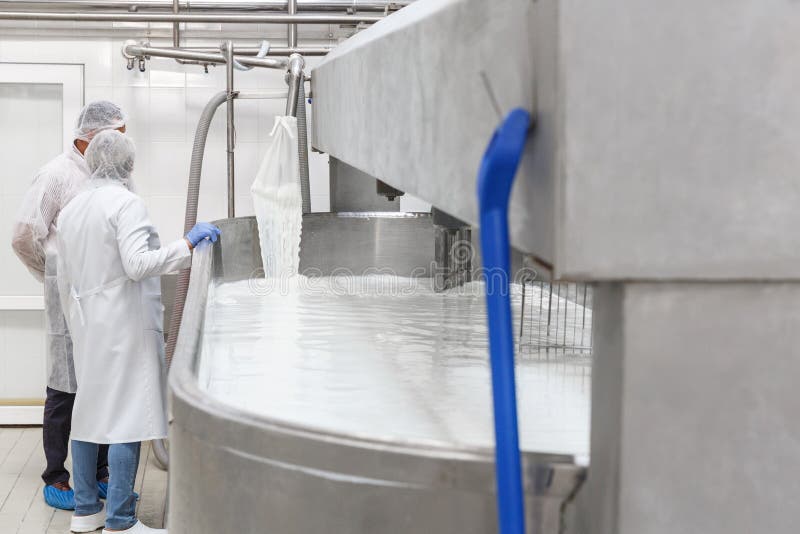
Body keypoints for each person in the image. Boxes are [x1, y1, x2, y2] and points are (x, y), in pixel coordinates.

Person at [56, 130, 220, 534]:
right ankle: (121, 520)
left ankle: (85, 511)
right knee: (129, 417)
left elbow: (62, 276)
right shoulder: (126, 204)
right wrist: (187, 243)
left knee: (88, 415)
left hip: (89, 324)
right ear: (128, 165)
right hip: (124, 325)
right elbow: (137, 264)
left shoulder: (73, 208)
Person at [11, 101, 128, 510]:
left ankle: (96, 471)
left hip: (103, 295)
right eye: (115, 134)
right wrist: (53, 274)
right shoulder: (57, 174)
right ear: (87, 137)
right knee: (65, 385)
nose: (120, 142)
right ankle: (56, 474)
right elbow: (24, 235)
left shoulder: (109, 175)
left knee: (97, 381)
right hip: (67, 294)